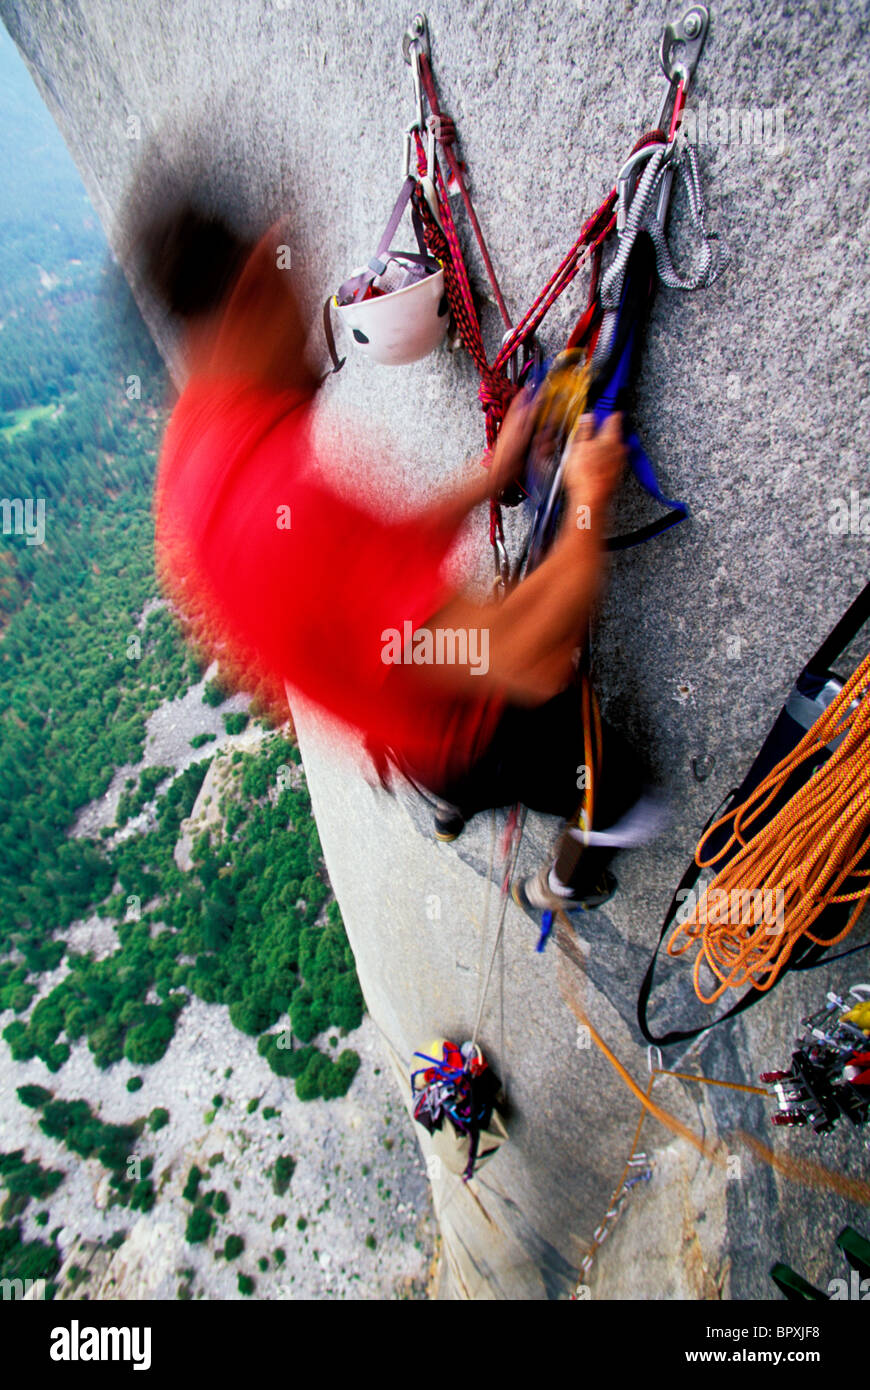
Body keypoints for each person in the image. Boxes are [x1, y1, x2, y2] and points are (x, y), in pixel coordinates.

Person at [142, 200, 646, 917]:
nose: (319, 319)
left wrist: (488, 475)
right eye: (296, 281)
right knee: (620, 784)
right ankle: (559, 885)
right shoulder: (277, 506)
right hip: (470, 732)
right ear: (258, 277)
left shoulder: (197, 453)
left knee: (452, 743)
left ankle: (452, 808)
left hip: (396, 720)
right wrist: (591, 498)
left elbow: (360, 564)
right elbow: (535, 654)